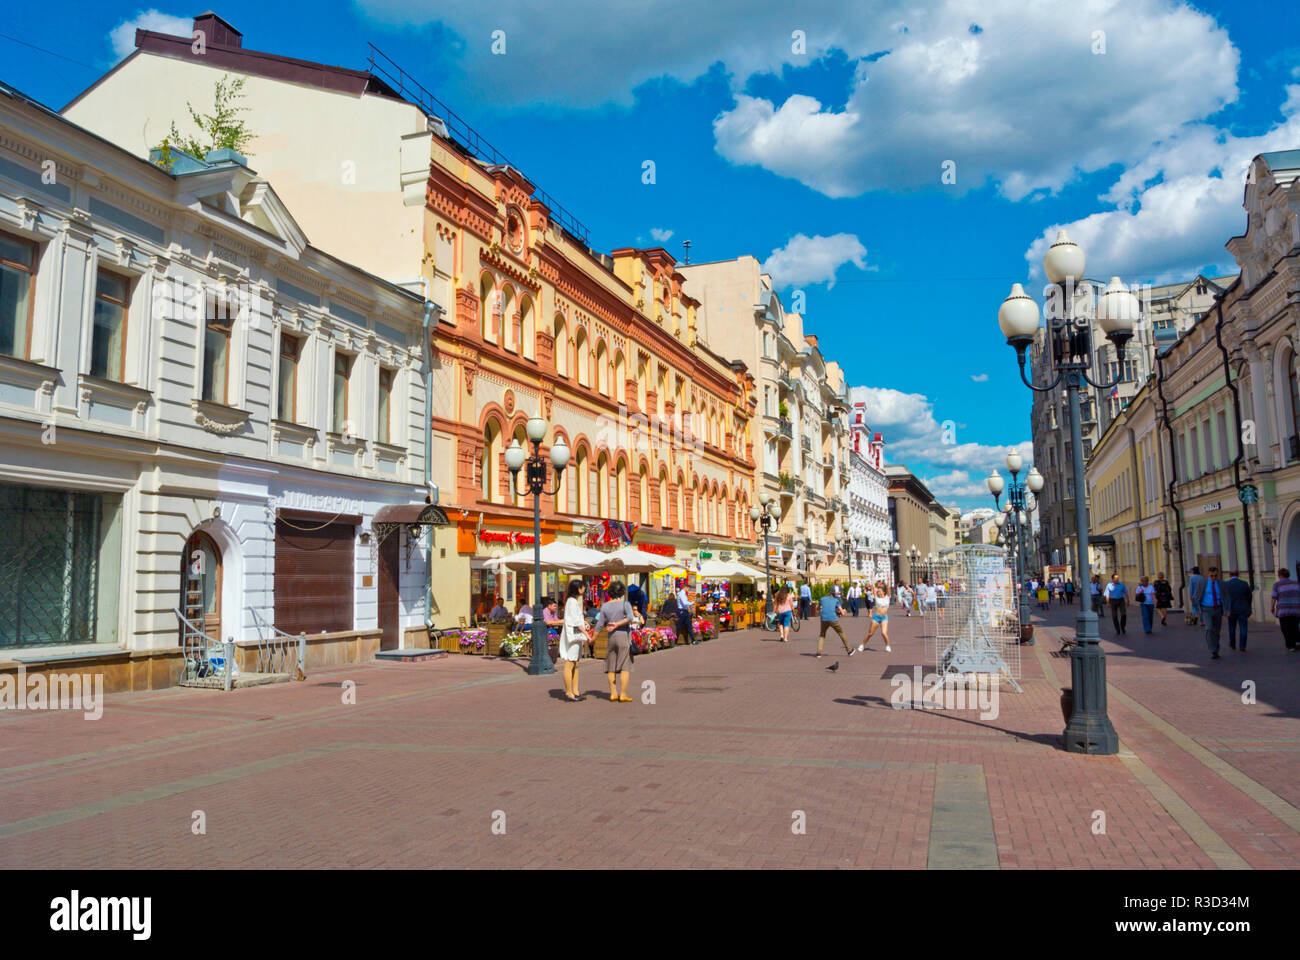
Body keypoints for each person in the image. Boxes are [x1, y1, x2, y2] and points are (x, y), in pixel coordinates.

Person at [595, 581, 636, 702]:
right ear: (622, 592)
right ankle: (622, 694)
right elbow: (630, 618)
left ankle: (613, 693)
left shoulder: (605, 606)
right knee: (625, 666)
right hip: (623, 636)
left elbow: (599, 624)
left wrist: (593, 638)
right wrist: (617, 624)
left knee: (611, 666)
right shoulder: (625, 604)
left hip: (611, 637)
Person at [559, 580, 592, 701]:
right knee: (570, 663)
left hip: (576, 635)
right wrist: (586, 633)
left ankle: (575, 690)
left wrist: (584, 623)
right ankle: (569, 692)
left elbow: (576, 619)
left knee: (575, 663)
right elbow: (574, 621)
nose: (584, 589)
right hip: (573, 635)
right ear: (578, 589)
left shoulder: (572, 601)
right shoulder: (572, 602)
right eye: (583, 587)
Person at [817, 588, 854, 659]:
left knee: (822, 635)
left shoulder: (822, 599)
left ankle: (819, 653)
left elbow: (818, 608)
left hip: (824, 619)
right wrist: (844, 611)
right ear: (834, 594)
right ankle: (849, 650)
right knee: (841, 633)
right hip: (833, 619)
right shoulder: (836, 600)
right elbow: (842, 613)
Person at [1270, 567, 1300, 651]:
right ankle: (1294, 643)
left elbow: (1274, 597)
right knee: (1294, 627)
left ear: (1280, 575)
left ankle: (1290, 645)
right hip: (1296, 610)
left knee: (1285, 628)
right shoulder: (1296, 584)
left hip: (1283, 610)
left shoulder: (1277, 585)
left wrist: (1272, 607)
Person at [1224, 570, 1254, 652]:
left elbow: (1224, 598)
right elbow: (1249, 596)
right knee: (1243, 628)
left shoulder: (1226, 584)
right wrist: (1248, 606)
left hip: (1231, 610)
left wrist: (1226, 609)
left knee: (1232, 627)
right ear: (1238, 575)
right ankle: (1242, 646)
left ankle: (1232, 644)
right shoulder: (1244, 583)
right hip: (1243, 609)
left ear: (1229, 575)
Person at [860, 584, 892, 653]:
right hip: (876, 617)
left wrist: (888, 578)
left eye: (880, 591)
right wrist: (872, 578)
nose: (878, 593)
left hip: (884, 617)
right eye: (878, 591)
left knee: (884, 633)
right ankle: (862, 645)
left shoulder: (887, 597)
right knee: (870, 633)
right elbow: (874, 588)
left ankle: (888, 646)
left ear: (884, 592)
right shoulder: (876, 597)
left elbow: (888, 588)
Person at [1201, 566, 1225, 659]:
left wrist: (1227, 610)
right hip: (1206, 609)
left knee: (1217, 630)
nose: (1214, 578)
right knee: (1209, 628)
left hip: (1218, 609)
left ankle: (1216, 649)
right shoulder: (1203, 583)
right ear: (1208, 575)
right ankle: (1213, 650)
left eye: (1215, 576)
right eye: (1211, 576)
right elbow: (1197, 595)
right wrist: (1197, 610)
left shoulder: (1221, 584)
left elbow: (1226, 597)